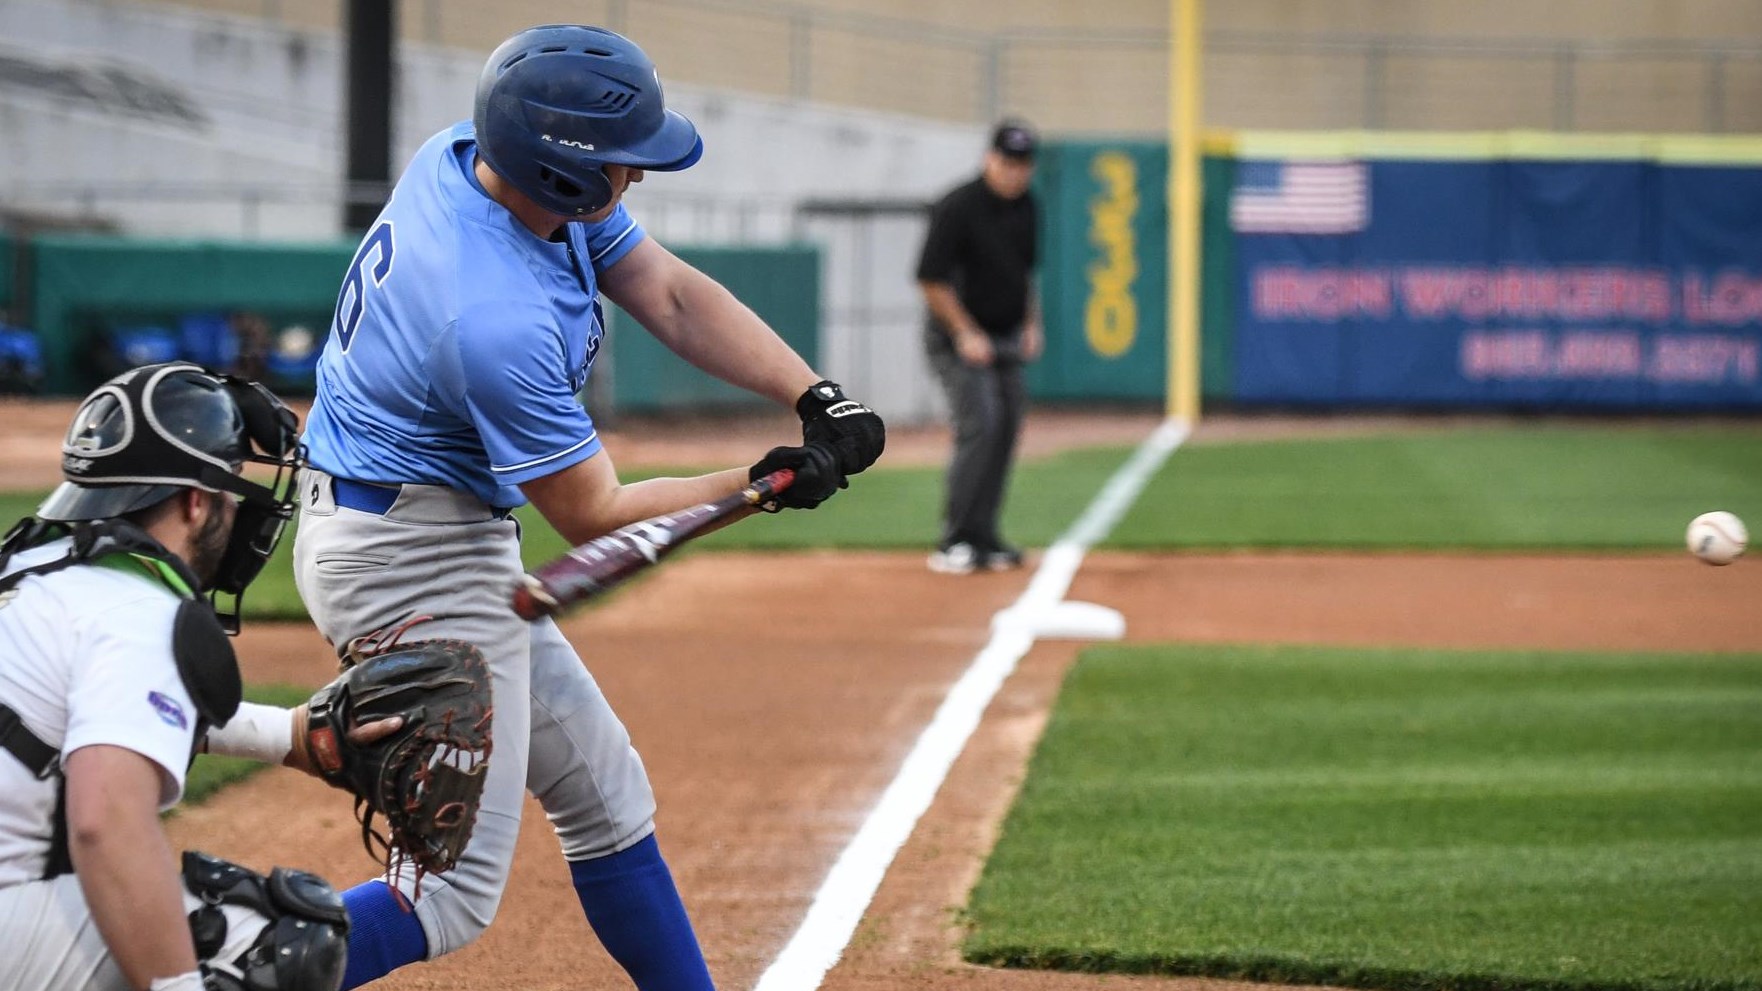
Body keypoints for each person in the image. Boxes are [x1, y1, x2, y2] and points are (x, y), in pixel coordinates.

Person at [287, 23, 884, 991]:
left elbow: (666, 291)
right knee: (446, 894)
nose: (635, 178)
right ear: (557, 170)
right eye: (620, 162)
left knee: (608, 799)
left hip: (432, 528)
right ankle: (195, 969)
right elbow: (597, 513)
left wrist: (812, 395)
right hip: (402, 557)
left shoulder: (480, 160)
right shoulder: (489, 316)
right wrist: (759, 484)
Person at [0, 362, 351, 991]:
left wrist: (294, 736)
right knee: (271, 940)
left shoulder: (28, 566)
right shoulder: (145, 613)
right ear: (195, 501)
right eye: (230, 488)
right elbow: (103, 822)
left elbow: (92, 714)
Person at [916, 118, 1043, 575]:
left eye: (1023, 164)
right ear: (990, 159)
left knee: (1008, 424)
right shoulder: (959, 206)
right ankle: (955, 538)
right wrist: (965, 332)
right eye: (1008, 162)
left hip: (1006, 336)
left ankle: (985, 534)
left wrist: (1032, 323)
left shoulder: (1028, 207)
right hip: (957, 339)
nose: (1015, 172)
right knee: (981, 425)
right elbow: (931, 279)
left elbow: (1026, 274)